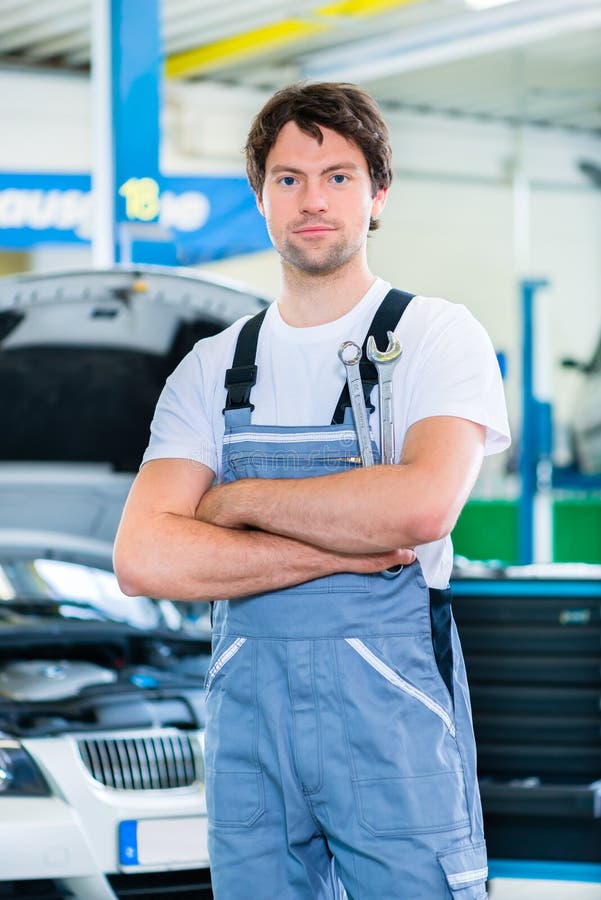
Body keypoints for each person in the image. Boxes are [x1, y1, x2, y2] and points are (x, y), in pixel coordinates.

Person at [114, 81, 510, 899]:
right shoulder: (211, 367)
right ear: (260, 196)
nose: (312, 200)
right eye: (288, 178)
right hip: (250, 734)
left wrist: (238, 503)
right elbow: (145, 557)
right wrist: (334, 545)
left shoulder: (435, 334)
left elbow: (418, 508)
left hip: (391, 721)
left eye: (338, 175)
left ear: (377, 195)